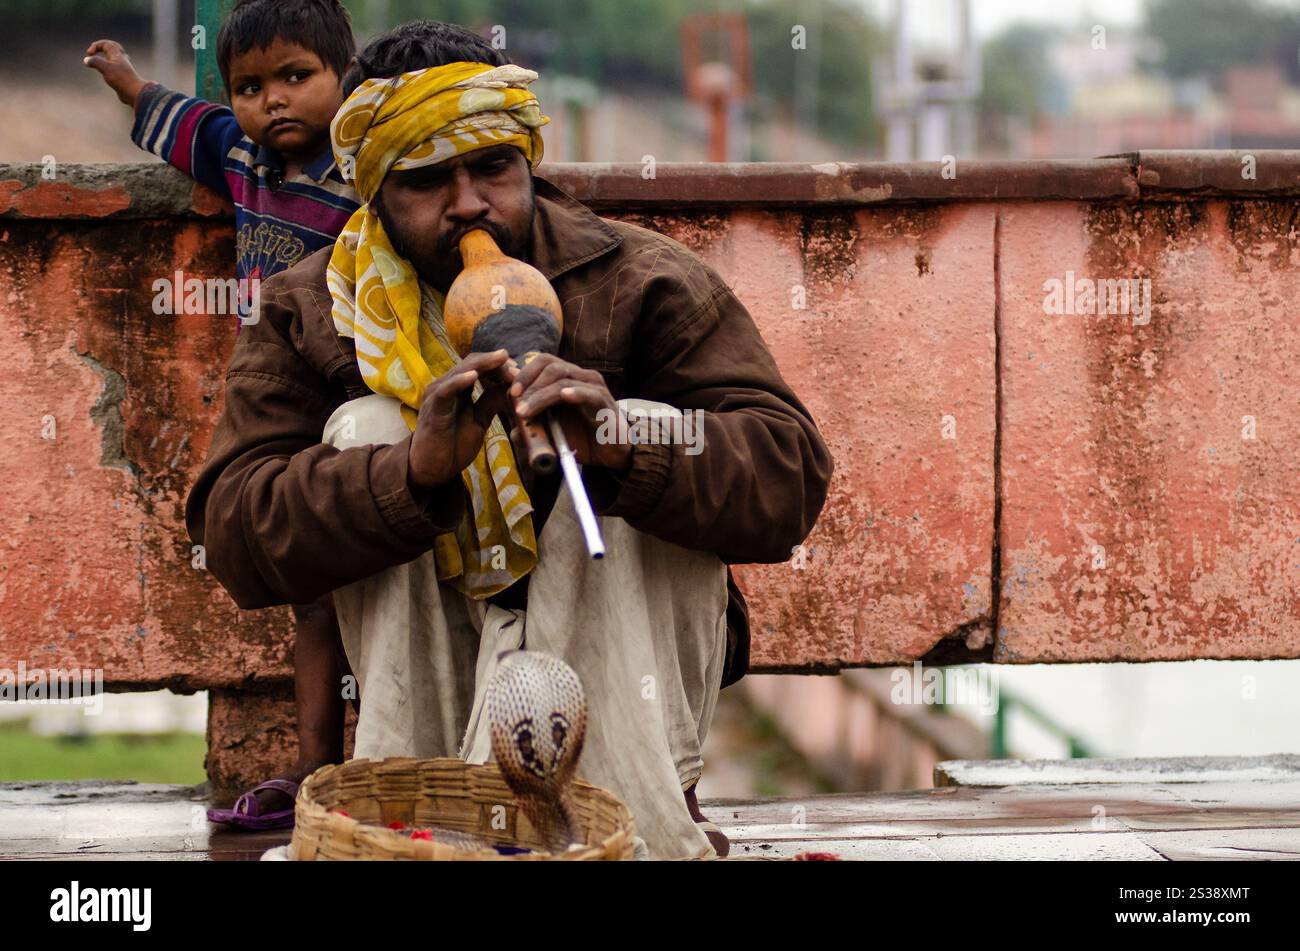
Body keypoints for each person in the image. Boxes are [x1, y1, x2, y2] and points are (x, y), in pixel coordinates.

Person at [184, 20, 834, 859]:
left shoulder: (645, 279)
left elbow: (790, 475)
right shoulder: (310, 309)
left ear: (527, 159)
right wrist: (409, 477)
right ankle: (421, 827)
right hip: (436, 660)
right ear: (373, 189)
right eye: (426, 179)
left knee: (650, 423)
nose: (468, 204)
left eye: (492, 167)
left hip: (613, 644)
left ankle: (636, 821)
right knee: (369, 427)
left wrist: (623, 451)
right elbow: (231, 528)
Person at [85, 0, 361, 830]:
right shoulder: (240, 155)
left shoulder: (369, 167)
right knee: (311, 588)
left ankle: (396, 759)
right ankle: (317, 768)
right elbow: (183, 122)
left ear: (345, 80)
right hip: (276, 404)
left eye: (295, 77)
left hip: (360, 400)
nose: (272, 101)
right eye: (250, 86)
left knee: (380, 579)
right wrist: (127, 81)